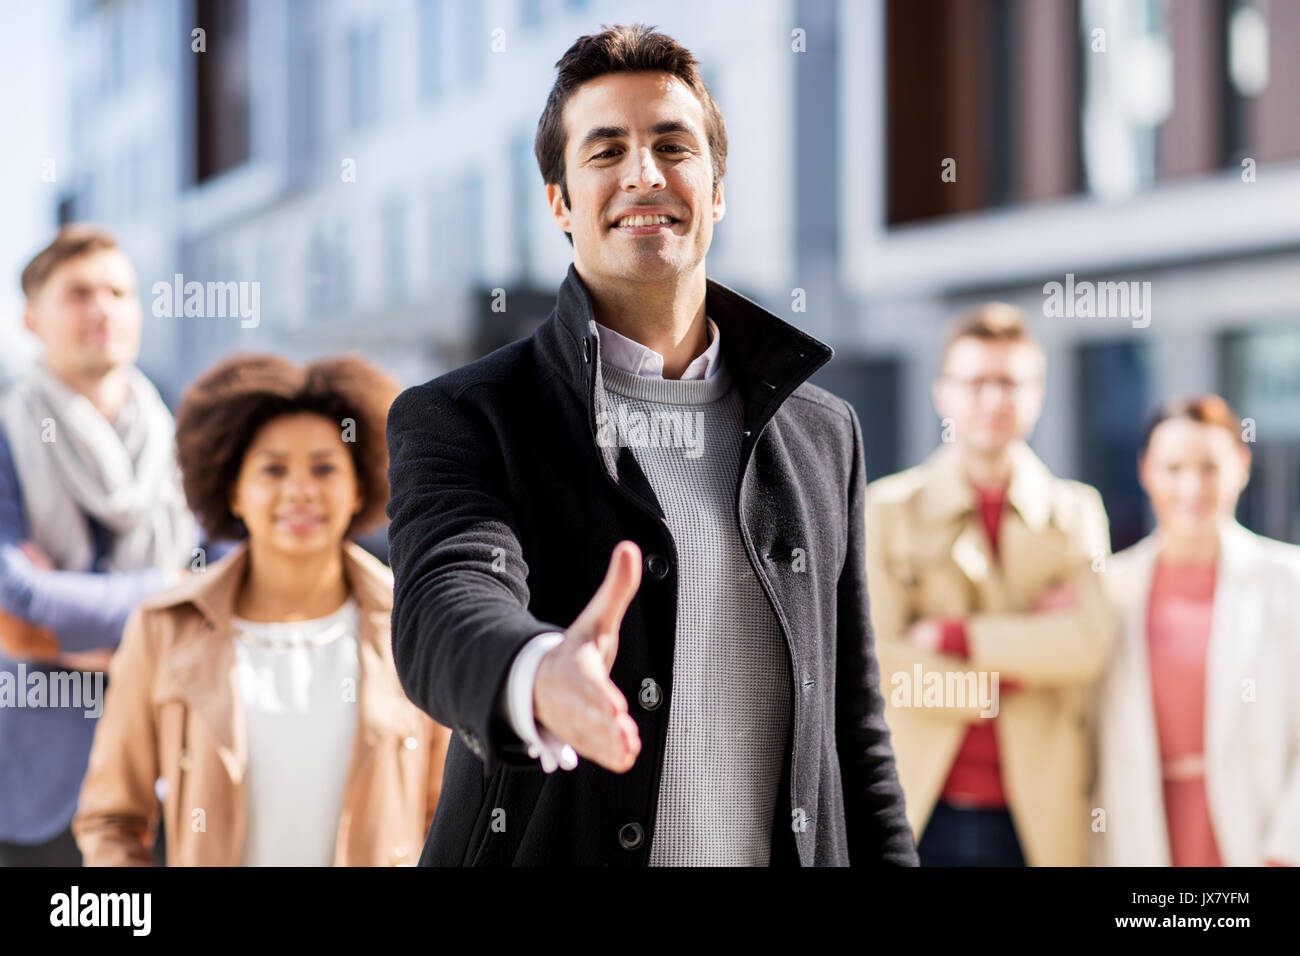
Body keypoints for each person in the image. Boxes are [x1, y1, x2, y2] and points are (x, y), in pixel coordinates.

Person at [385, 24, 916, 866]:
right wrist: (536, 669)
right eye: (606, 152)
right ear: (560, 201)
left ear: (716, 189)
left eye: (674, 146)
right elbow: (445, 602)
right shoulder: (465, 415)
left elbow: (854, 730)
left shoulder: (824, 433)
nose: (644, 174)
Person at [73, 353, 450, 866]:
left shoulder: (419, 620)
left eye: (324, 468)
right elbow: (112, 819)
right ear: (233, 490)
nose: (299, 491)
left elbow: (449, 817)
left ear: (359, 484)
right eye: (272, 469)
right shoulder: (163, 626)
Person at [865, 304, 1114, 866]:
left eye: (1010, 382)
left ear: (1038, 395)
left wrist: (952, 637)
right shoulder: (887, 509)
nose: (993, 399)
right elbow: (881, 667)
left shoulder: (1075, 512)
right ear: (941, 395)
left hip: (1038, 813)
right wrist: (1022, 664)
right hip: (920, 807)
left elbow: (1087, 646)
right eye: (975, 382)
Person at [0, 226, 197, 867]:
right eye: (79, 293)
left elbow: (227, 586)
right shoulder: (8, 433)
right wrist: (169, 593)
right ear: (32, 318)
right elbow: (16, 595)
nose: (103, 308)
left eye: (119, 291)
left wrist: (58, 631)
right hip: (41, 784)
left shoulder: (185, 440)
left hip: (174, 766)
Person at [1093, 395, 1300, 866]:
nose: (1191, 487)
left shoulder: (1290, 581)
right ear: (1145, 470)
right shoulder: (1109, 588)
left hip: (1261, 840)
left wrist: (1287, 851)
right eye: (1173, 468)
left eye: (1209, 467)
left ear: (1242, 465)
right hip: (1141, 837)